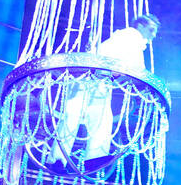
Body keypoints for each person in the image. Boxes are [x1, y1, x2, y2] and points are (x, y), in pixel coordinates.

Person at [52, 13, 160, 168]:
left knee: (100, 118)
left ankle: (76, 159)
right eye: (151, 30)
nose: (154, 35)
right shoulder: (131, 35)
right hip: (89, 77)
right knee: (76, 115)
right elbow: (137, 68)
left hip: (99, 80)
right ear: (140, 26)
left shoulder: (128, 38)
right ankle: (66, 159)